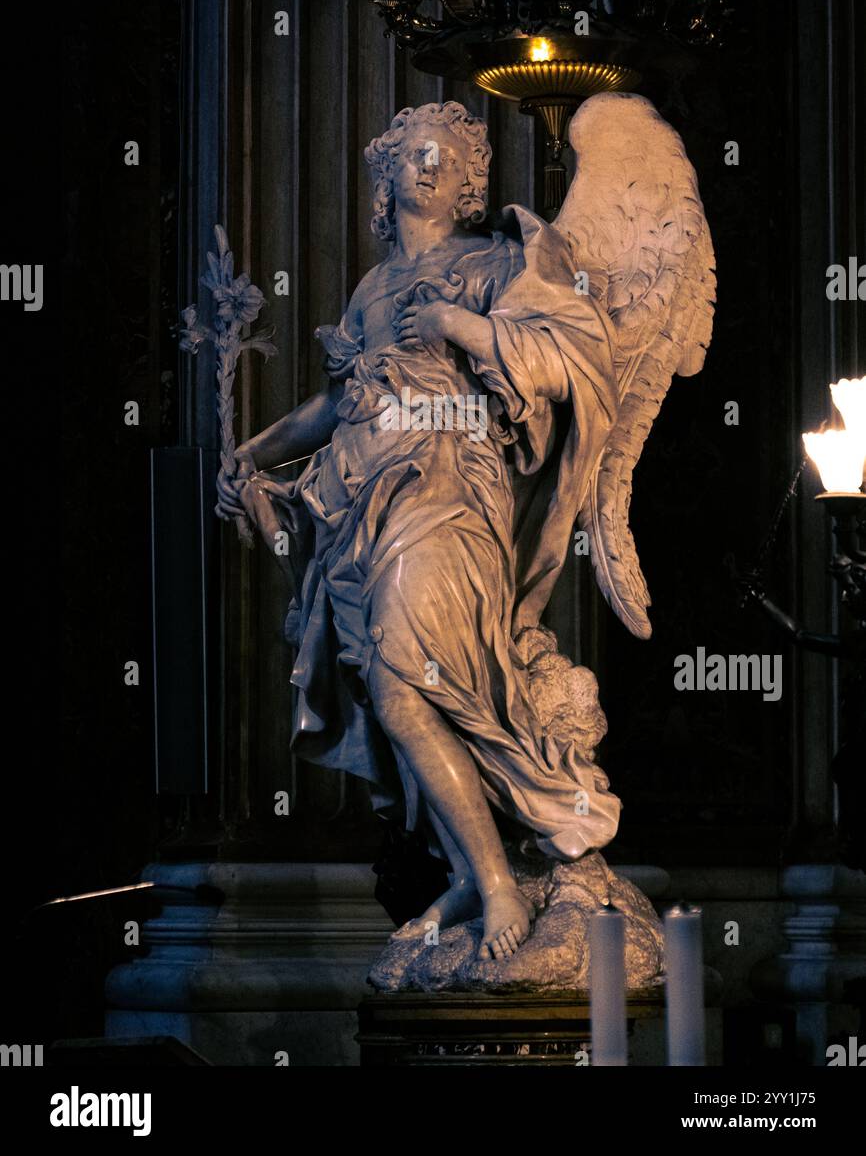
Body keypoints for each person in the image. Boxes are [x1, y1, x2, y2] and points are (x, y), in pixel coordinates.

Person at [216, 101, 622, 960]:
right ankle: (474, 873)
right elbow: (341, 401)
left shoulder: (493, 261)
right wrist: (251, 454)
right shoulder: (369, 288)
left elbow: (566, 358)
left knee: (410, 682)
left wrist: (459, 325)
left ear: (471, 181)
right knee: (395, 689)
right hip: (361, 499)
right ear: (387, 173)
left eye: (451, 159)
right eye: (415, 154)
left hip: (449, 489)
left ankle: (499, 884)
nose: (432, 168)